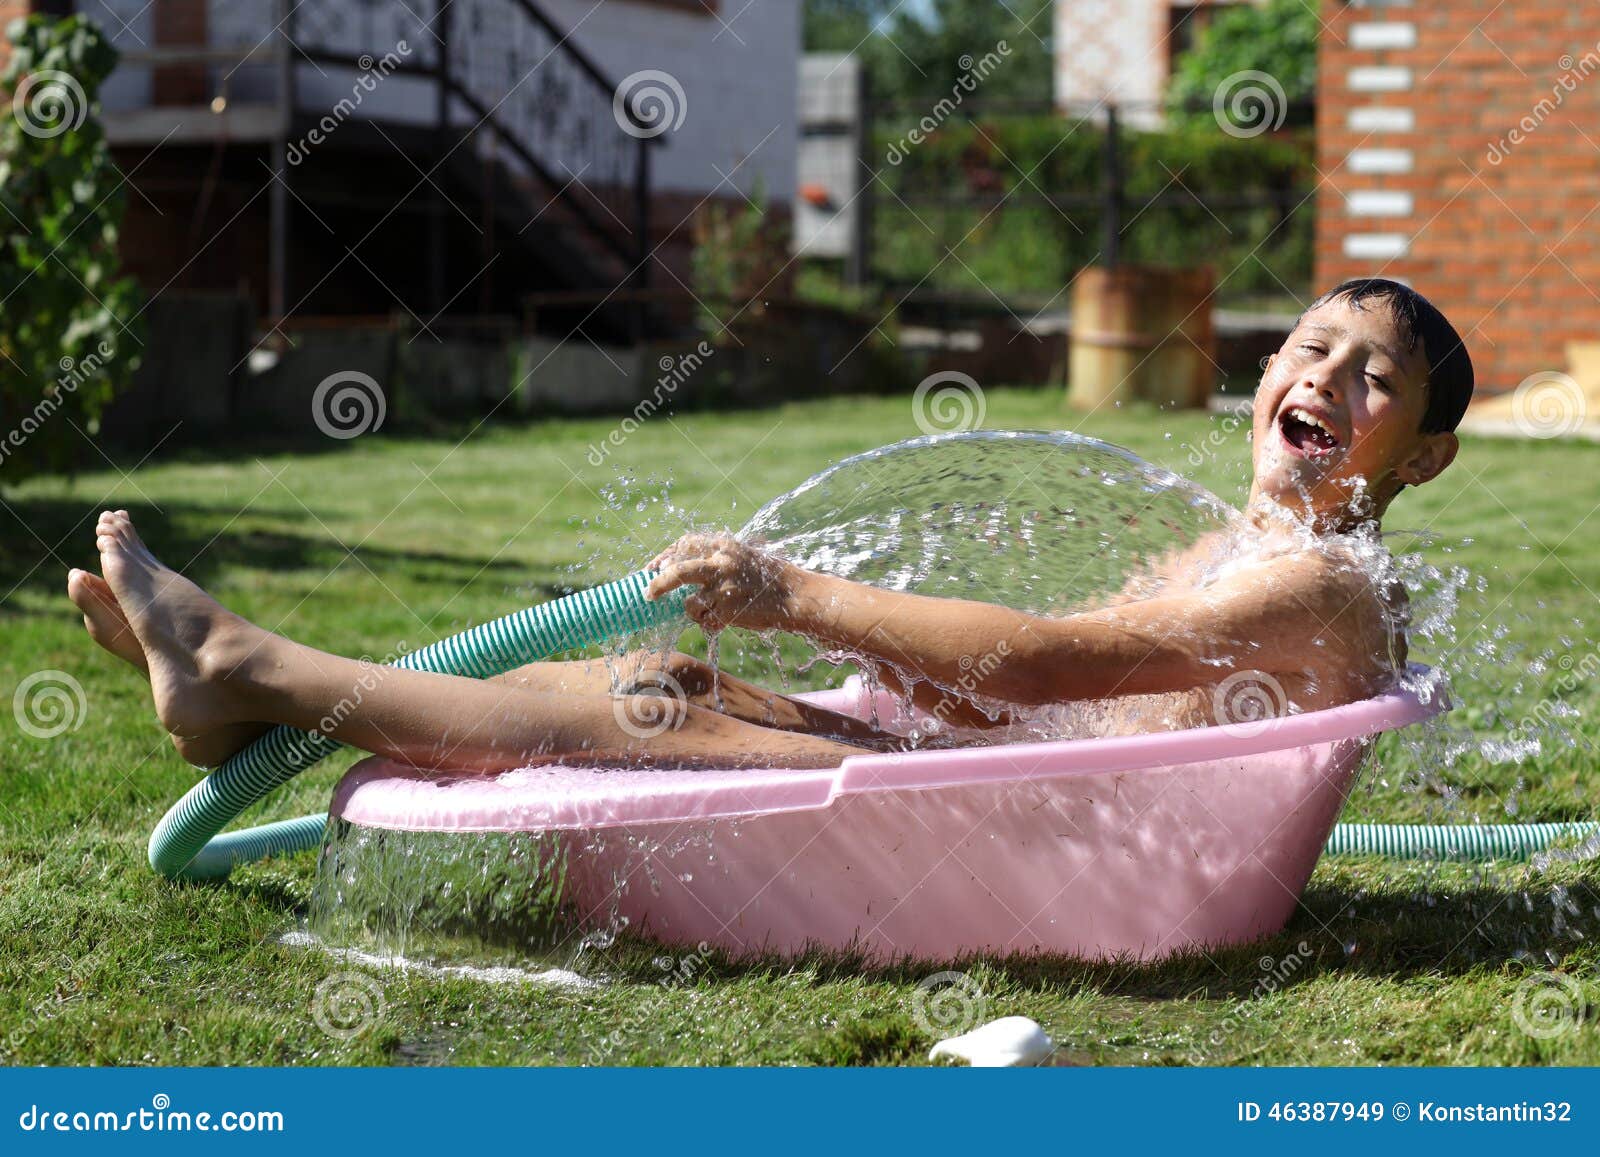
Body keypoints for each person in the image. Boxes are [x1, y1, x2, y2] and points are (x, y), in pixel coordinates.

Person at [67, 278, 1472, 773]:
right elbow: (1045, 706)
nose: (1324, 379)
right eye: (1310, 345)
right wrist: (910, 679)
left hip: (1083, 855)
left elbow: (1044, 667)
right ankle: (245, 706)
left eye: (1376, 377)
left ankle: (250, 669)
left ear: (1426, 453)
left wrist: (797, 591)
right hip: (1059, 805)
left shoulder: (1327, 590)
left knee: (635, 706)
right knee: (675, 682)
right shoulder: (1239, 554)